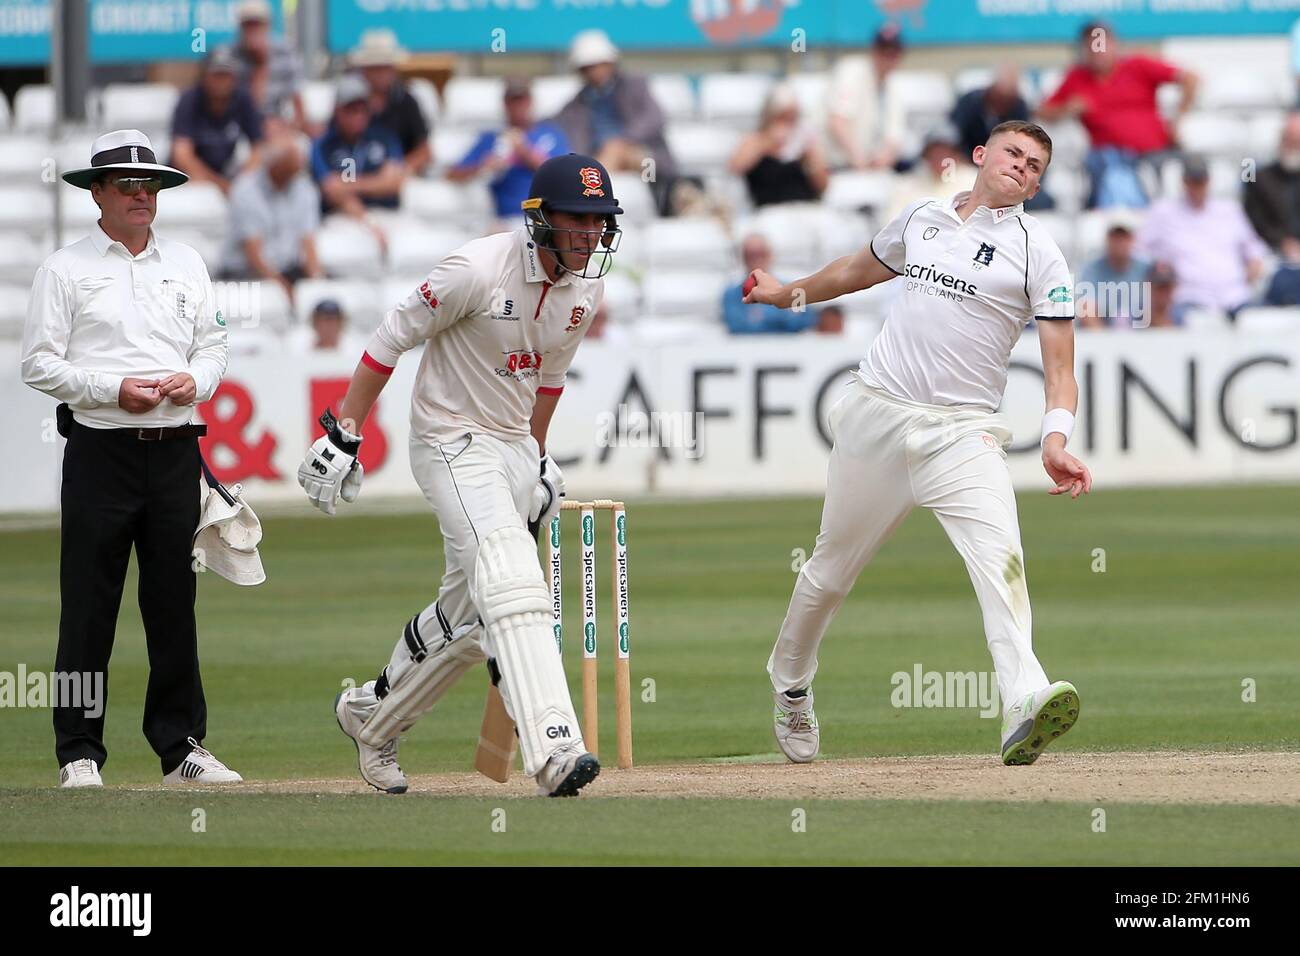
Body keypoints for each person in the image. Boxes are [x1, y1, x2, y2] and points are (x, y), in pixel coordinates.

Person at [744, 120, 1089, 768]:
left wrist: (1054, 437)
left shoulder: (1037, 250)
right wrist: (783, 293)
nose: (1023, 167)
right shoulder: (922, 218)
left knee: (1002, 560)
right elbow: (852, 271)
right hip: (877, 414)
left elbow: (1060, 364)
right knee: (828, 572)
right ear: (981, 156)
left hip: (962, 431)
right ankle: (790, 683)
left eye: (1037, 166)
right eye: (1014, 153)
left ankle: (1023, 700)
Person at [302, 154, 621, 797]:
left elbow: (548, 379)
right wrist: (345, 430)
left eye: (600, 222)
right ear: (540, 220)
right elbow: (391, 336)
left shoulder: (586, 291)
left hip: (509, 447)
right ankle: (555, 746)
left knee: (473, 614)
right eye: (578, 219)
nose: (590, 234)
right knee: (509, 575)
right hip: (449, 439)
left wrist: (534, 460)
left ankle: (372, 716)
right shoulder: (476, 268)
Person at [20, 130, 239, 788]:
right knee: (89, 603)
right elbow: (38, 362)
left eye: (150, 185)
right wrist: (110, 389)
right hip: (101, 450)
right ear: (98, 192)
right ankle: (79, 752)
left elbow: (213, 348)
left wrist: (191, 383)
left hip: (175, 449)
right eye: (127, 185)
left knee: (173, 601)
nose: (142, 195)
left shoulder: (189, 263)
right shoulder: (65, 268)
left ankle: (181, 748)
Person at [1039, 21, 1196, 208]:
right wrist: (1068, 108)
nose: (1099, 52)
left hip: (1156, 154)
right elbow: (1043, 111)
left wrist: (1177, 122)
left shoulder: (1137, 65)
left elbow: (1190, 78)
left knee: (1192, 170)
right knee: (1107, 170)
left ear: (1114, 44)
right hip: (1108, 158)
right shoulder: (1077, 77)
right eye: (1093, 46)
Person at [553, 30, 684, 215]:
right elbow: (551, 127)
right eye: (589, 66)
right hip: (598, 159)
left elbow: (656, 118)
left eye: (599, 64)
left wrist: (622, 141)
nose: (595, 70)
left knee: (612, 150)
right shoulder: (575, 106)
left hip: (642, 156)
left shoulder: (634, 86)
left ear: (610, 63)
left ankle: (588, 197)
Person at [1137, 155, 1268, 321]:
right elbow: (1140, 250)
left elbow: (1253, 247)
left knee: (1265, 319)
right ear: (1183, 182)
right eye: (1192, 181)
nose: (1197, 187)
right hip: (1188, 298)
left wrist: (1253, 264)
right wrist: (1160, 268)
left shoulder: (1229, 210)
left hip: (1234, 296)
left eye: (1201, 181)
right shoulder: (1164, 212)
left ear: (1209, 182)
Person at [447, 77, 570, 232]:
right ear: (504, 104)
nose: (517, 106)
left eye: (522, 100)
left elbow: (564, 175)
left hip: (547, 217)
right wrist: (483, 167)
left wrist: (524, 152)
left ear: (531, 102)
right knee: (492, 238)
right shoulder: (491, 138)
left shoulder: (550, 134)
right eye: (512, 101)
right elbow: (452, 174)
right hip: (506, 221)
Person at [220, 132, 324, 297]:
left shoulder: (304, 189)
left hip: (288, 272)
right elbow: (253, 254)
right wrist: (284, 290)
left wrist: (317, 285)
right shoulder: (245, 191)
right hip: (246, 276)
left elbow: (309, 242)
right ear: (275, 166)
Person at [311, 73, 405, 246]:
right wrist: (368, 220)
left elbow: (393, 183)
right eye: (351, 110)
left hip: (386, 212)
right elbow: (331, 191)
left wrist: (348, 185)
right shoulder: (323, 144)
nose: (358, 115)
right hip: (343, 216)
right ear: (338, 111)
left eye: (364, 109)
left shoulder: (383, 137)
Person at [170, 48, 263, 195]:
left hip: (227, 173)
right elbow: (181, 155)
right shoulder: (190, 99)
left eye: (226, 75)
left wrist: (242, 180)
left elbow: (259, 149)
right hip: (190, 177)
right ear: (204, 76)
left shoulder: (242, 99)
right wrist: (219, 184)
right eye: (216, 75)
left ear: (234, 78)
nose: (221, 81)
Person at [728, 82, 829, 209]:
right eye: (782, 117)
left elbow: (823, 187)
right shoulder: (754, 140)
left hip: (805, 208)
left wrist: (813, 158)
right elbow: (735, 168)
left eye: (792, 117)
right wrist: (768, 142)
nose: (787, 123)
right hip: (771, 212)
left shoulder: (804, 139)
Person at [825, 24, 906, 170]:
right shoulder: (850, 72)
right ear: (873, 51)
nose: (888, 59)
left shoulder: (894, 87)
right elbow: (837, 121)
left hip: (871, 169)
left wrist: (885, 157)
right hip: (838, 167)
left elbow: (895, 136)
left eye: (893, 53)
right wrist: (858, 158)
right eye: (884, 52)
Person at [350, 29, 432, 174]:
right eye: (374, 67)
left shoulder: (407, 102)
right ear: (364, 70)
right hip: (356, 173)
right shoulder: (349, 103)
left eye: (385, 67)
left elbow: (424, 151)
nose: (380, 73)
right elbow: (336, 145)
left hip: (397, 179)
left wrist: (400, 169)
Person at [223, 0, 307, 133]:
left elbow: (298, 106)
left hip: (277, 124)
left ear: (267, 25)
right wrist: (260, 65)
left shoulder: (285, 51)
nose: (253, 29)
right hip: (240, 126)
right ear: (240, 27)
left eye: (257, 24)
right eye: (248, 24)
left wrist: (287, 128)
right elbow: (242, 110)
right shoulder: (229, 57)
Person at [722, 233, 818, 334]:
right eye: (750, 255)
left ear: (770, 255)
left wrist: (760, 318)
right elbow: (737, 326)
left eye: (760, 254)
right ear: (743, 258)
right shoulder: (730, 294)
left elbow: (804, 321)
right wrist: (784, 316)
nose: (756, 260)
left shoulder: (795, 290)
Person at [882, 123, 976, 221]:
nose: (940, 157)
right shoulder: (906, 185)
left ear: (957, 154)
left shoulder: (973, 181)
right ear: (926, 155)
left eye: (945, 152)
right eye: (934, 152)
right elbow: (893, 221)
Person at [1243, 112, 1300, 260]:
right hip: (1271, 252)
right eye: (1289, 141)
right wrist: (1282, 242)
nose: (1293, 148)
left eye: (1297, 143)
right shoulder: (1258, 178)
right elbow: (1254, 219)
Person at [1077, 214, 1149, 328]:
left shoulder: (1146, 268)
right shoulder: (1091, 270)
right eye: (1115, 237)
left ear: (1133, 239)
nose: (1120, 242)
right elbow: (1087, 312)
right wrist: (1106, 342)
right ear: (1107, 239)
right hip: (1101, 338)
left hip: (1143, 338)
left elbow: (1159, 308)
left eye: (1124, 237)